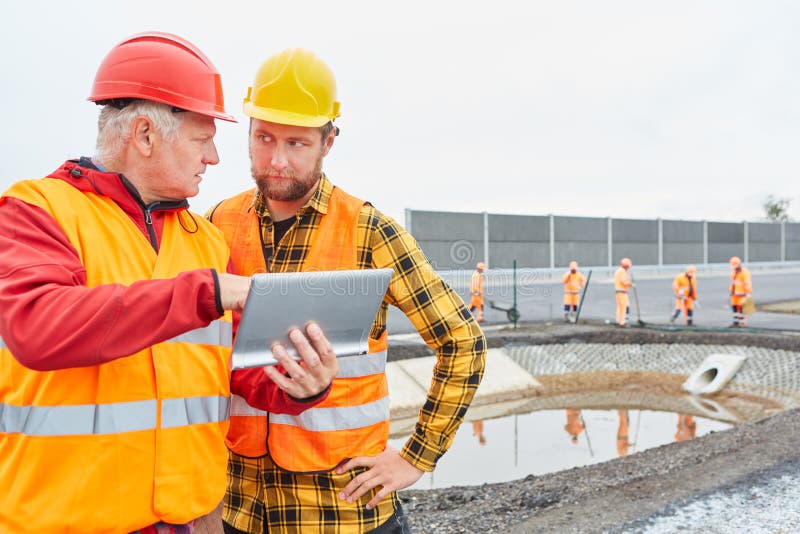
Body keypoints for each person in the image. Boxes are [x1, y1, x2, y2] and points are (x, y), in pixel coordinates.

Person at [0, 33, 338, 533]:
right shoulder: (37, 212)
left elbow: (239, 370)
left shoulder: (204, 241)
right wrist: (207, 292)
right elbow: (37, 327)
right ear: (144, 135)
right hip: (66, 522)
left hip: (193, 520)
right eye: (203, 139)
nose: (216, 158)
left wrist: (302, 385)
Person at [207, 47, 487, 533]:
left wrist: (417, 457)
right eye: (263, 138)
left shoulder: (369, 231)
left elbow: (464, 343)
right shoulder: (217, 223)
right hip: (241, 508)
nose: (275, 160)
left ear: (328, 141)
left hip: (343, 512)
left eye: (296, 143)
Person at [729, 256, 753, 327]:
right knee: (735, 308)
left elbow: (747, 283)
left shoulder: (744, 273)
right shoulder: (733, 272)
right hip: (734, 294)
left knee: (742, 309)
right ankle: (736, 323)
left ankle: (742, 324)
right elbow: (732, 283)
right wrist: (731, 291)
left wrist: (748, 293)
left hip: (742, 294)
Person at [614, 258, 633, 326]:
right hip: (622, 291)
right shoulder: (622, 272)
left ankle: (618, 320)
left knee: (620, 307)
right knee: (625, 306)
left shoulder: (618, 271)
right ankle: (623, 322)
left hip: (618, 291)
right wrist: (630, 283)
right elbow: (623, 281)